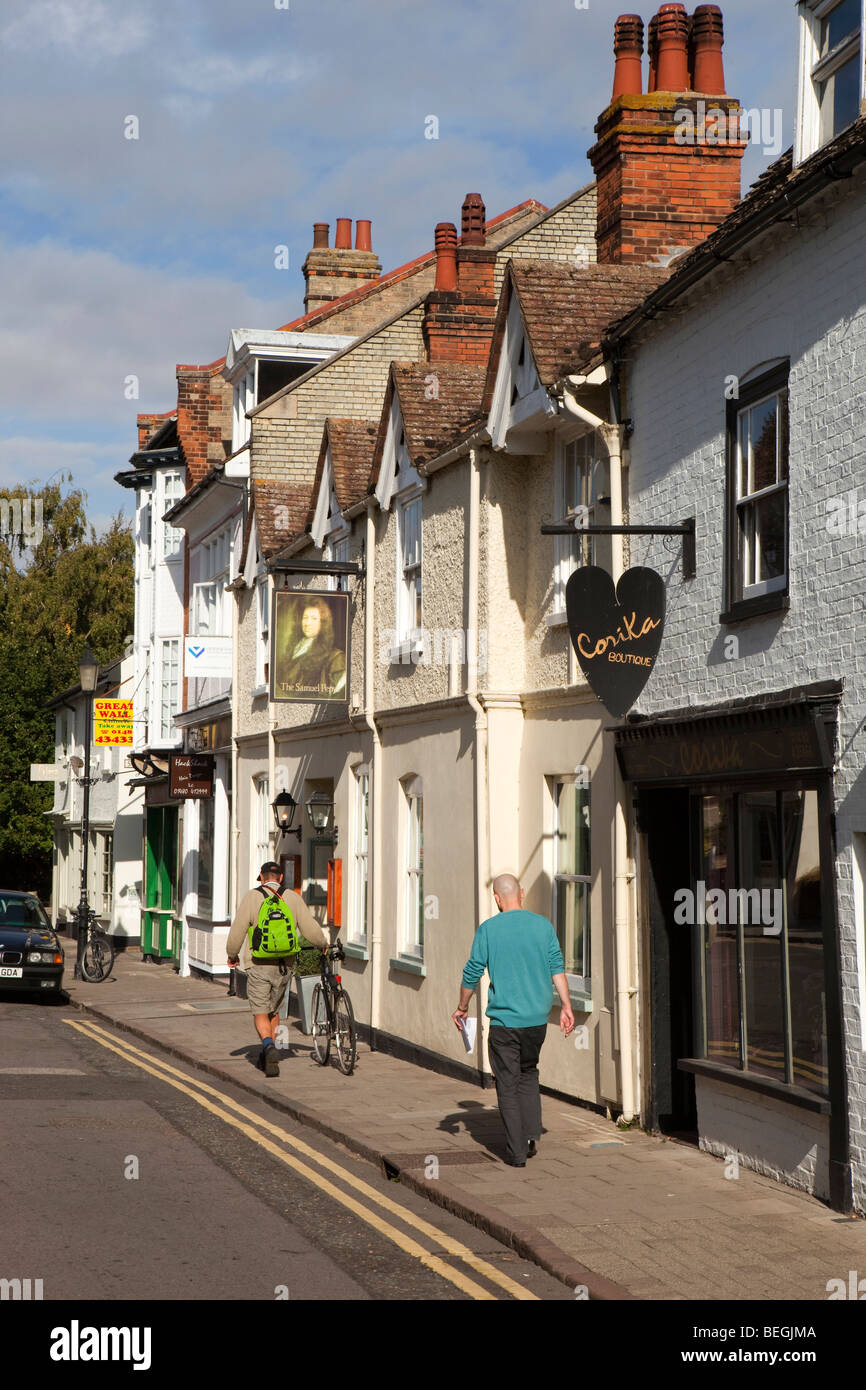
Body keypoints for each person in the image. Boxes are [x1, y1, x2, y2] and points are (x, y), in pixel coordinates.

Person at [452, 873, 575, 1167]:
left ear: (497, 898)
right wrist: (567, 1006)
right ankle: (532, 1136)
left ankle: (517, 1152)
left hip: (505, 1023)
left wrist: (462, 1006)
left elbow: (472, 973)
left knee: (507, 1083)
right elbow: (557, 968)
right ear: (521, 893)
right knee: (529, 1072)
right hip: (536, 1021)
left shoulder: (488, 930)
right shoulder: (542, 927)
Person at [226, 861, 329, 1077]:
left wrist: (232, 954)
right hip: (285, 965)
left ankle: (267, 1044)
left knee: (260, 1009)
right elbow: (309, 928)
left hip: (258, 963)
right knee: (274, 1009)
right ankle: (270, 1051)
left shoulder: (252, 897)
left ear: (261, 878)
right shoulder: (292, 897)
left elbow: (238, 931)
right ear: (280, 878)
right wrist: (322, 944)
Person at [279, 598, 346, 699]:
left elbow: (337, 691)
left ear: (322, 623)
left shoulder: (335, 657)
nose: (307, 623)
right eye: (305, 617)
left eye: (314, 618)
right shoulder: (294, 648)